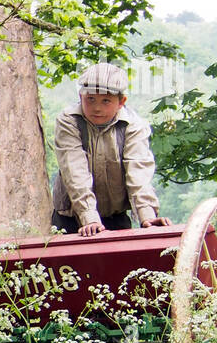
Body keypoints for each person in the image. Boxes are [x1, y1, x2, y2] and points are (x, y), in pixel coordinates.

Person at [51, 62, 172, 237]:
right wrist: (89, 217)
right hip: (70, 217)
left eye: (106, 101)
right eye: (90, 99)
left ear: (121, 101)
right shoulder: (69, 121)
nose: (97, 108)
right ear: (81, 95)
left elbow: (138, 172)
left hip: (115, 216)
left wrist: (147, 215)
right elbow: (74, 171)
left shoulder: (134, 126)